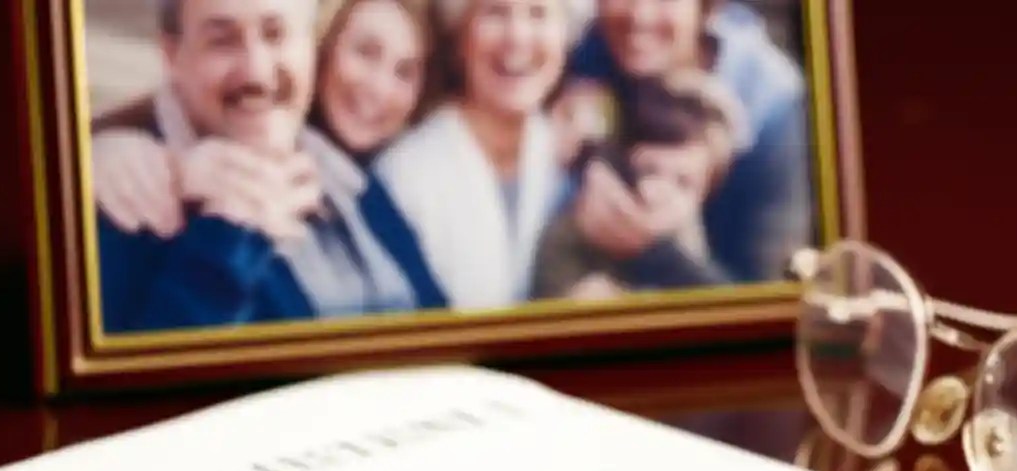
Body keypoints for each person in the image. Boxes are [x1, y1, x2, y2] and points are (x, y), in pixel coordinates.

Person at [92, 0, 446, 333]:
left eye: (276, 34)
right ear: (172, 56)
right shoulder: (128, 203)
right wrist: (226, 238)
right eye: (222, 41)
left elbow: (439, 324)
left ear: (310, 45)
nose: (257, 72)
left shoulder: (346, 179)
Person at [559, 0, 812, 287]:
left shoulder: (771, 105)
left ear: (705, 9)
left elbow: (767, 297)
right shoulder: (588, 56)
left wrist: (648, 247)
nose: (640, 15)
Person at [372, 0, 570, 310]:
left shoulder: (572, 153)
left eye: (538, 12)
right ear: (461, 37)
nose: (517, 36)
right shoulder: (405, 176)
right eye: (495, 12)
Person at [531, 70, 738, 299]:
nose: (660, 192)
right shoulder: (572, 231)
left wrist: (653, 249)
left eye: (683, 183)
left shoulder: (686, 236)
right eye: (649, 171)